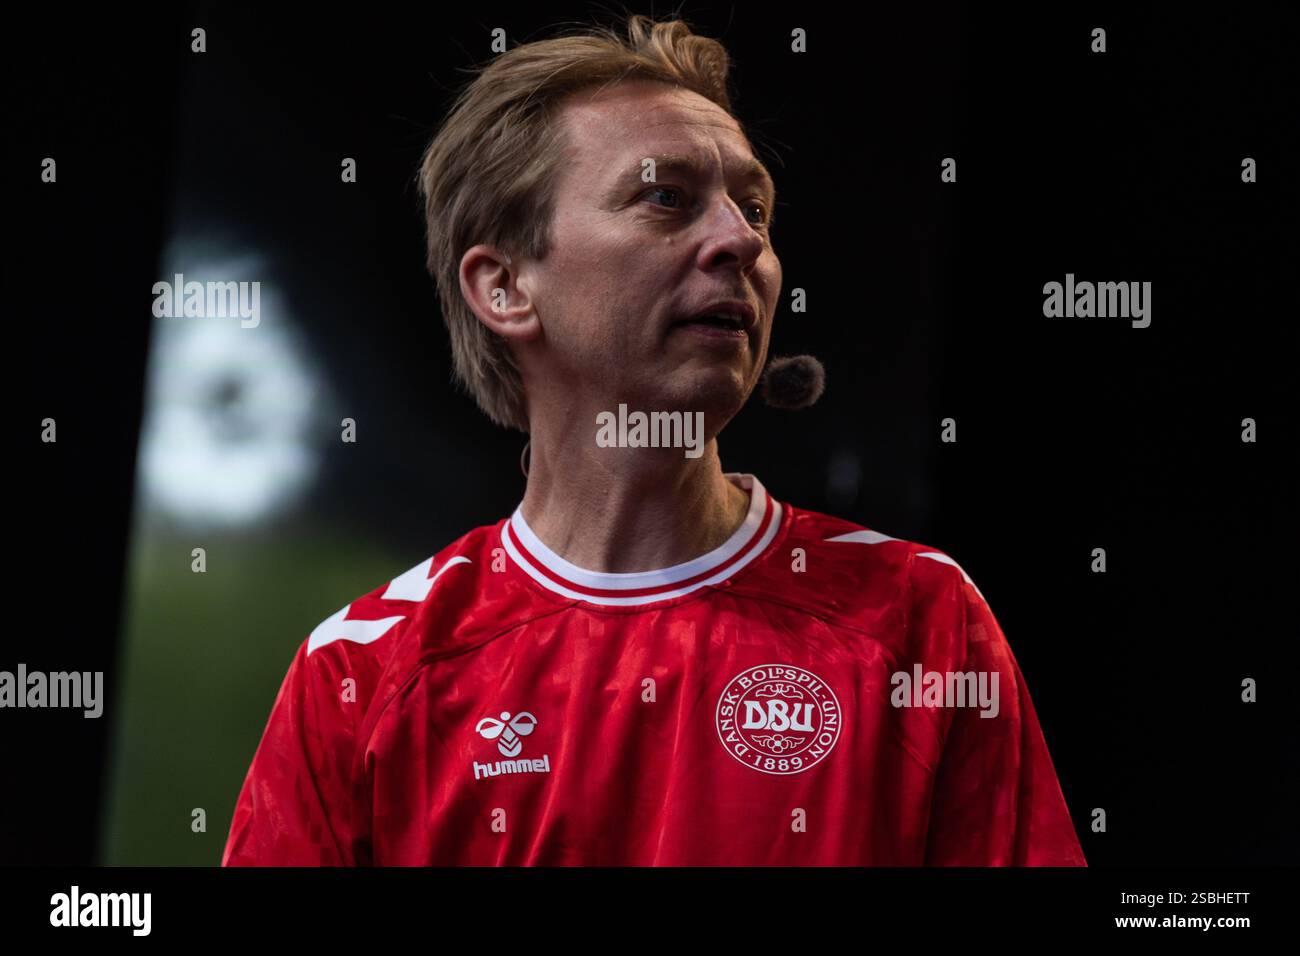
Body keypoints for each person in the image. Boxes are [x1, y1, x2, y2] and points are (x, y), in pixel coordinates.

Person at [222, 14, 1086, 866]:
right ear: (506, 287)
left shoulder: (920, 622)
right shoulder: (360, 676)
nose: (742, 241)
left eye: (754, 207)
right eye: (666, 198)